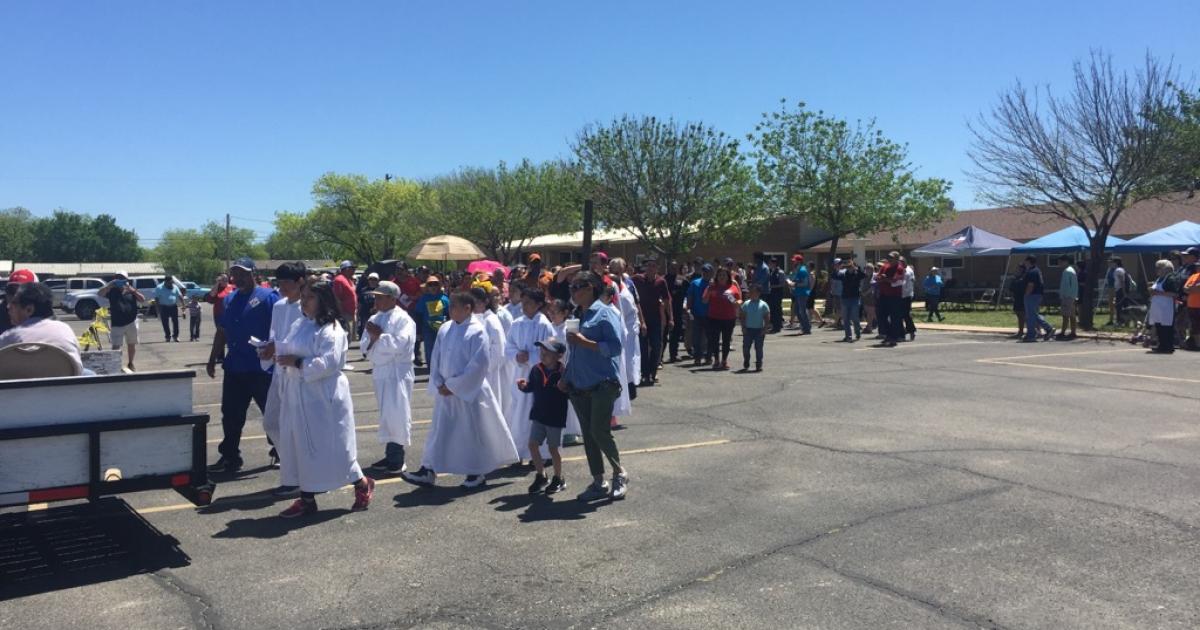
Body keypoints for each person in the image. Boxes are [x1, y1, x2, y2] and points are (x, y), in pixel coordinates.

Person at [272, 278, 374, 517]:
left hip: (323, 398)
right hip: (299, 394)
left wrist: (297, 362)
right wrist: (274, 350)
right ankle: (307, 499)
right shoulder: (302, 323)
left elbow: (329, 363)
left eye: (309, 297)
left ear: (323, 300)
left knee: (334, 447)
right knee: (302, 446)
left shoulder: (332, 330)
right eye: (303, 296)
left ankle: (361, 483)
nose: (304, 302)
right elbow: (290, 346)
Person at [402, 291, 519, 489]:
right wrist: (438, 381)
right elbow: (437, 356)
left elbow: (479, 364)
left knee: (471, 434)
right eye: (450, 306)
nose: (450, 310)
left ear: (467, 308)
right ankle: (428, 469)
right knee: (439, 432)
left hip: (468, 394)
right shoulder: (446, 328)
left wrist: (455, 386)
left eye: (454, 306)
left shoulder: (477, 330)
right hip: (446, 392)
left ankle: (476, 471)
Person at [206, 257, 280, 473]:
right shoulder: (229, 300)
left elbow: (282, 327)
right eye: (235, 274)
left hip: (262, 369)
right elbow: (223, 331)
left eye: (243, 273)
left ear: (253, 274)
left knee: (272, 414)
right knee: (230, 415)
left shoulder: (269, 297)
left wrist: (276, 348)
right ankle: (230, 456)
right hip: (235, 367)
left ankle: (280, 451)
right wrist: (212, 358)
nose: (238, 277)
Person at [560, 271, 628, 501]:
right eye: (572, 287)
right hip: (579, 384)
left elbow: (615, 347)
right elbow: (574, 351)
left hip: (602, 383)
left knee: (599, 430)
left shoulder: (605, 312)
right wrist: (566, 376)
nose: (574, 291)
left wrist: (584, 342)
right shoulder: (578, 315)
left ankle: (619, 473)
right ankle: (598, 480)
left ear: (591, 288)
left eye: (578, 286)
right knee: (589, 435)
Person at [359, 280, 417, 474]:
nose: (376, 300)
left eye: (380, 297)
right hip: (381, 372)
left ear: (392, 299)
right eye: (375, 297)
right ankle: (390, 453)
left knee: (397, 414)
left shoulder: (404, 319)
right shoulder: (375, 317)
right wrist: (375, 340)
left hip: (397, 373)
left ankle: (398, 458)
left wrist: (379, 338)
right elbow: (364, 346)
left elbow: (399, 345)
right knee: (386, 415)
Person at [257, 262, 307, 486]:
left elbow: (309, 341)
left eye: (287, 282)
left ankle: (298, 475)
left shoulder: (309, 307)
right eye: (280, 282)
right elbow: (274, 335)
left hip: (300, 373)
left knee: (298, 425)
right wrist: (267, 348)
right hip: (279, 371)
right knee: (272, 423)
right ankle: (291, 466)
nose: (282, 287)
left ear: (300, 282)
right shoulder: (278, 306)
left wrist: (280, 347)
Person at [503, 288, 556, 463]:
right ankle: (519, 451)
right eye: (523, 303)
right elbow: (508, 345)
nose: (524, 306)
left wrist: (532, 357)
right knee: (518, 412)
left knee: (537, 413)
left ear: (539, 304)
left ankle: (541, 453)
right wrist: (516, 355)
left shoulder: (544, 325)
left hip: (538, 376)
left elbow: (550, 351)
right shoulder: (517, 323)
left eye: (528, 303)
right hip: (519, 374)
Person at [518, 338, 570, 495]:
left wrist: (566, 388)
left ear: (558, 356)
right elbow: (531, 387)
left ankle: (558, 478)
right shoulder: (536, 370)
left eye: (547, 352)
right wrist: (523, 387)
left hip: (555, 417)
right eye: (542, 352)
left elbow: (570, 391)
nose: (543, 355)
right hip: (539, 415)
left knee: (553, 448)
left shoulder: (563, 372)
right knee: (532, 445)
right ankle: (541, 475)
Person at [0, 282, 83, 374]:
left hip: (19, 387)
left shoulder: (9, 337)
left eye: (14, 303)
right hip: (65, 386)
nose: (8, 306)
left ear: (29, 310)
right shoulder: (65, 329)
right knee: (89, 373)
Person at [471, 286, 509, 429]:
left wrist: (486, 369)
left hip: (489, 373)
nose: (474, 306)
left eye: (477, 302)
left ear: (485, 302)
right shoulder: (477, 319)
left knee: (490, 410)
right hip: (477, 373)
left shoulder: (491, 320)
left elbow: (499, 350)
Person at [632, 257, 671, 386]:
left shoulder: (661, 282)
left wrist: (670, 318)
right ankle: (644, 373)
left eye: (653, 266)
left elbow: (666, 300)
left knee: (656, 346)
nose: (650, 268)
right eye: (648, 265)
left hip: (655, 319)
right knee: (643, 347)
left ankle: (653, 373)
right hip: (641, 318)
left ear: (657, 268)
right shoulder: (637, 279)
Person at [99, 271, 145, 371]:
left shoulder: (131, 290)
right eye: (117, 278)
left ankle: (130, 363)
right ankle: (116, 365)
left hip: (131, 321)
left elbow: (142, 299)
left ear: (126, 279)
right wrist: (109, 285)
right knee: (116, 346)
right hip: (117, 322)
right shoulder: (111, 290)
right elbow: (100, 293)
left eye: (122, 278)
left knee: (131, 344)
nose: (120, 280)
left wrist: (133, 291)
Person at [702, 267, 741, 369]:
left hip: (729, 318)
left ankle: (724, 360)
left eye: (724, 275)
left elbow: (739, 301)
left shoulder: (733, 287)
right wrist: (709, 290)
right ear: (717, 277)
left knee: (726, 340)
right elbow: (704, 301)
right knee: (714, 340)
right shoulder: (712, 287)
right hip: (714, 318)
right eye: (720, 275)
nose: (722, 277)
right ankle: (716, 360)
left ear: (728, 277)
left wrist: (733, 300)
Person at [414, 276, 450, 366]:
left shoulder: (445, 298)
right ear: (427, 287)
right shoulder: (423, 299)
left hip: (442, 329)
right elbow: (418, 315)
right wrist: (418, 332)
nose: (433, 286)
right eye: (430, 284)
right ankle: (431, 371)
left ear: (439, 286)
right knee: (429, 351)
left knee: (443, 351)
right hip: (428, 329)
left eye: (435, 284)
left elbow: (450, 314)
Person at [1148, 260, 1180, 354]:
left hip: (1166, 307)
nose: (1157, 270)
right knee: (1159, 327)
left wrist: (1158, 293)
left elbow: (1174, 293)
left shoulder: (1170, 278)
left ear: (1166, 269)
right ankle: (1161, 345)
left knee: (1167, 328)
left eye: (1159, 267)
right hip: (1158, 307)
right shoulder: (1159, 279)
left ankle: (1168, 346)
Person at [1021, 255, 1055, 342]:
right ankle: (1048, 329)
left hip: (1032, 295)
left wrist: (1026, 295)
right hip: (1037, 295)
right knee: (1033, 315)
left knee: (1030, 316)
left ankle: (1031, 335)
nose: (1024, 263)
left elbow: (1030, 285)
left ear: (1029, 261)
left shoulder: (1032, 272)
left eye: (1025, 261)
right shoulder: (1036, 270)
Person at [875, 252, 905, 347]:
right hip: (883, 295)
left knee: (894, 318)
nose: (889, 259)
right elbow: (877, 277)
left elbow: (894, 280)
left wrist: (884, 279)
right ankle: (888, 335)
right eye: (889, 257)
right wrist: (883, 278)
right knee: (881, 316)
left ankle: (894, 338)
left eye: (892, 258)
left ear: (897, 259)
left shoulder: (899, 268)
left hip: (895, 296)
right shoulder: (885, 266)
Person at [686, 264, 712, 365]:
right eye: (704, 271)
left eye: (708, 271)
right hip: (696, 314)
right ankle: (697, 357)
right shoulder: (695, 283)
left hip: (710, 315)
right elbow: (690, 297)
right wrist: (688, 309)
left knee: (709, 337)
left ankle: (708, 357)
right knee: (696, 337)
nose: (705, 273)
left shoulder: (713, 284)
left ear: (711, 272)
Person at [739, 285, 769, 371]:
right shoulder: (746, 304)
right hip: (748, 329)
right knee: (746, 347)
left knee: (759, 348)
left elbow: (766, 317)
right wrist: (743, 327)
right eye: (750, 292)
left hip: (759, 330)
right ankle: (746, 360)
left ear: (759, 293)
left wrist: (765, 328)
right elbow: (742, 317)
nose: (751, 294)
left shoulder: (763, 305)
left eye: (754, 292)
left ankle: (759, 363)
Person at [665, 261, 689, 362]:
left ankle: (673, 355)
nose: (673, 269)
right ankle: (660, 357)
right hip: (665, 311)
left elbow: (689, 292)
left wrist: (686, 305)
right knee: (664, 335)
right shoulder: (664, 279)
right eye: (671, 267)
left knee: (675, 334)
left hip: (678, 310)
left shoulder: (681, 279)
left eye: (675, 267)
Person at [839, 258, 866, 342]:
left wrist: (857, 268)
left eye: (850, 266)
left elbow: (864, 275)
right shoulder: (843, 274)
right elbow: (834, 275)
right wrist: (840, 267)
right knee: (846, 318)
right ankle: (848, 335)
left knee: (855, 318)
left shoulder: (857, 274)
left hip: (854, 298)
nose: (849, 268)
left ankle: (857, 332)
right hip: (845, 298)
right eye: (847, 267)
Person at [153, 276, 185, 343]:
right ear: (166, 282)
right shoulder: (159, 288)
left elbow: (180, 296)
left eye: (172, 282)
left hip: (173, 306)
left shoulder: (175, 287)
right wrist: (158, 310)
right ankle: (167, 337)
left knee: (175, 322)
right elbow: (156, 299)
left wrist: (183, 305)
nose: (171, 284)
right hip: (164, 307)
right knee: (165, 323)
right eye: (170, 283)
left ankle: (175, 336)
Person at [332, 260, 358, 338]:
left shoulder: (349, 280)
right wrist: (341, 314)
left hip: (352, 312)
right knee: (346, 336)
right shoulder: (339, 280)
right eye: (352, 268)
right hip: (345, 313)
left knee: (351, 336)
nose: (354, 270)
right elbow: (337, 298)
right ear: (346, 269)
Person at [1181, 247, 1200, 350]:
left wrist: (1192, 289)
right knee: (1193, 326)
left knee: (1197, 327)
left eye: (1199, 266)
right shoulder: (1193, 275)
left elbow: (1197, 288)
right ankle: (1196, 344)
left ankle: (1197, 344)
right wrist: (1192, 289)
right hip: (1191, 305)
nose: (1198, 267)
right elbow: (1185, 288)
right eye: (1197, 266)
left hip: (1198, 305)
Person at [1056, 256, 1079, 340]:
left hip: (1067, 297)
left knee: (1066, 315)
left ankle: (1063, 332)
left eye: (1060, 262)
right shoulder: (1071, 271)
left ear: (1065, 261)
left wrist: (1064, 296)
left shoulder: (1067, 272)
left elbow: (1067, 286)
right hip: (1072, 296)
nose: (1059, 264)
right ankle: (1073, 332)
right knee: (1072, 316)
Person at [788, 255, 811, 334]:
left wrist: (794, 284)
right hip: (798, 293)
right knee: (797, 311)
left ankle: (807, 328)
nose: (793, 262)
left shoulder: (802, 270)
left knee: (802, 311)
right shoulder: (798, 270)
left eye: (795, 261)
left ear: (799, 261)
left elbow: (805, 283)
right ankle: (804, 327)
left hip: (803, 293)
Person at [357, 272, 380, 339]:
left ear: (378, 280)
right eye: (370, 279)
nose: (372, 281)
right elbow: (360, 302)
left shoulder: (380, 290)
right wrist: (358, 312)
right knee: (366, 331)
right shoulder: (363, 290)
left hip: (377, 314)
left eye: (374, 279)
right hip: (365, 313)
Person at [767, 258, 786, 333]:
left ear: (774, 263)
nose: (769, 265)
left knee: (777, 310)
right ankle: (774, 325)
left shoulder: (780, 272)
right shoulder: (771, 271)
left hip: (777, 294)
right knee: (772, 310)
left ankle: (777, 326)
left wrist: (772, 286)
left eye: (770, 263)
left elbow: (782, 284)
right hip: (772, 294)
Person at [900, 258, 917, 341]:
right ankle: (905, 331)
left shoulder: (907, 271)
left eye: (900, 263)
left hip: (906, 295)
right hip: (902, 295)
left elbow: (905, 284)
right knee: (902, 315)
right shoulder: (904, 270)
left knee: (905, 314)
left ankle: (911, 331)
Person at [1010, 263, 1027, 338]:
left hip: (1023, 298)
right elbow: (1011, 287)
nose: (1018, 270)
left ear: (1023, 269)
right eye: (1017, 268)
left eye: (1019, 268)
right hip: (1016, 298)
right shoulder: (1016, 278)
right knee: (1019, 315)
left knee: (1024, 315)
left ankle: (1036, 330)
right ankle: (1020, 331)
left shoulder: (1025, 277)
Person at [862, 263, 878, 335]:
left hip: (871, 297)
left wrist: (866, 293)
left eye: (868, 268)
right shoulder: (865, 277)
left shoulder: (874, 276)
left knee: (872, 313)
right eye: (866, 268)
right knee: (869, 313)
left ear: (872, 269)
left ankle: (870, 327)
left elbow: (873, 287)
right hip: (865, 297)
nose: (866, 270)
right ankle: (869, 327)